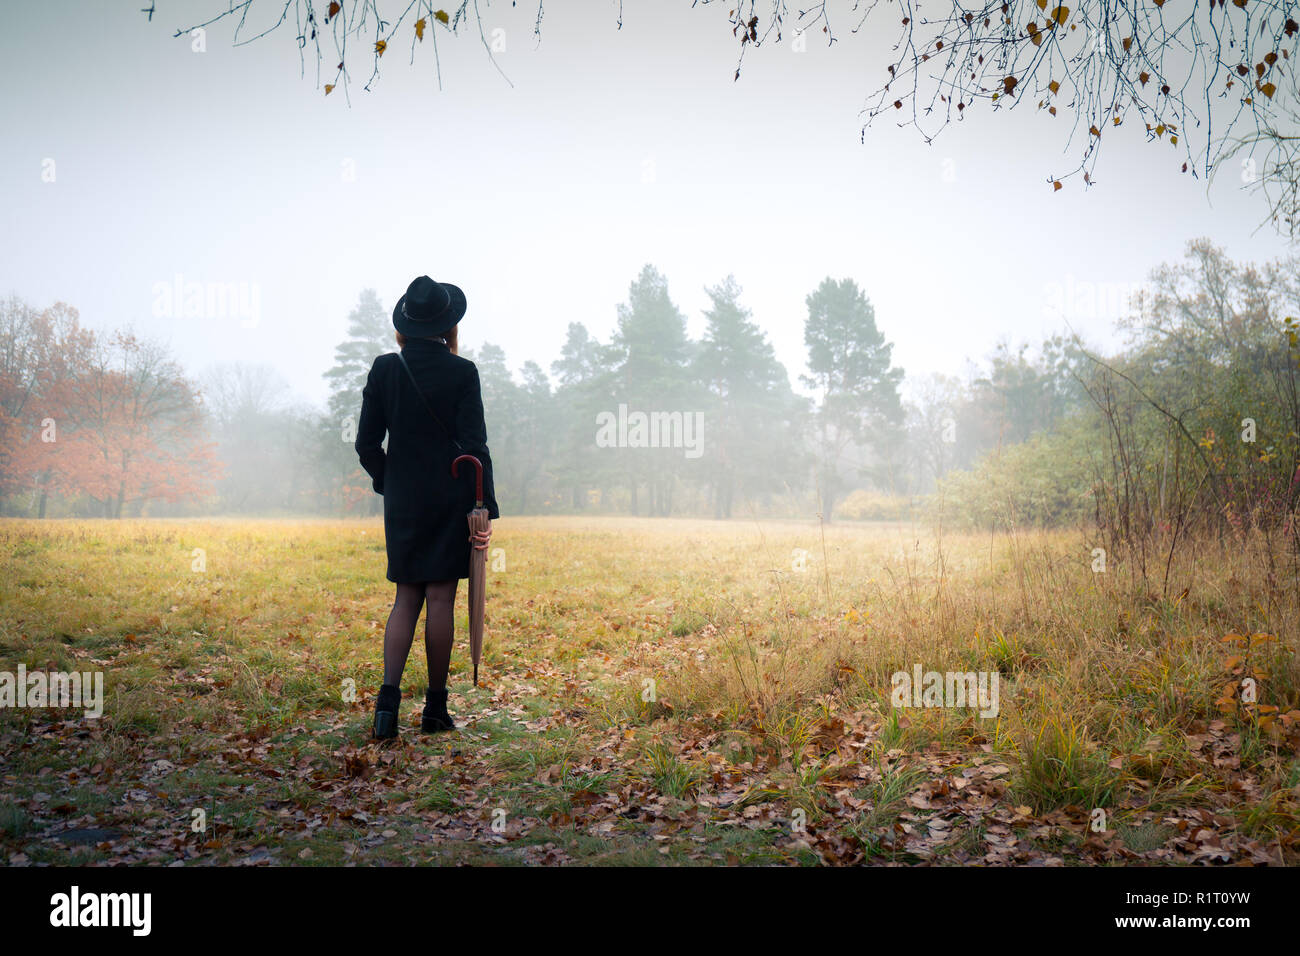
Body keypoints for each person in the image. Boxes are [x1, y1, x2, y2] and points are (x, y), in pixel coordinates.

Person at [354, 275, 500, 739]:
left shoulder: (384, 369)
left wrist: (389, 481)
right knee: (440, 598)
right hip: (451, 496)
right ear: (447, 325)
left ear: (405, 326)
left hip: (404, 501)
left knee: (405, 598)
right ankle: (435, 710)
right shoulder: (463, 371)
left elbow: (365, 444)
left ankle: (386, 709)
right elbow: (476, 447)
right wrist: (485, 508)